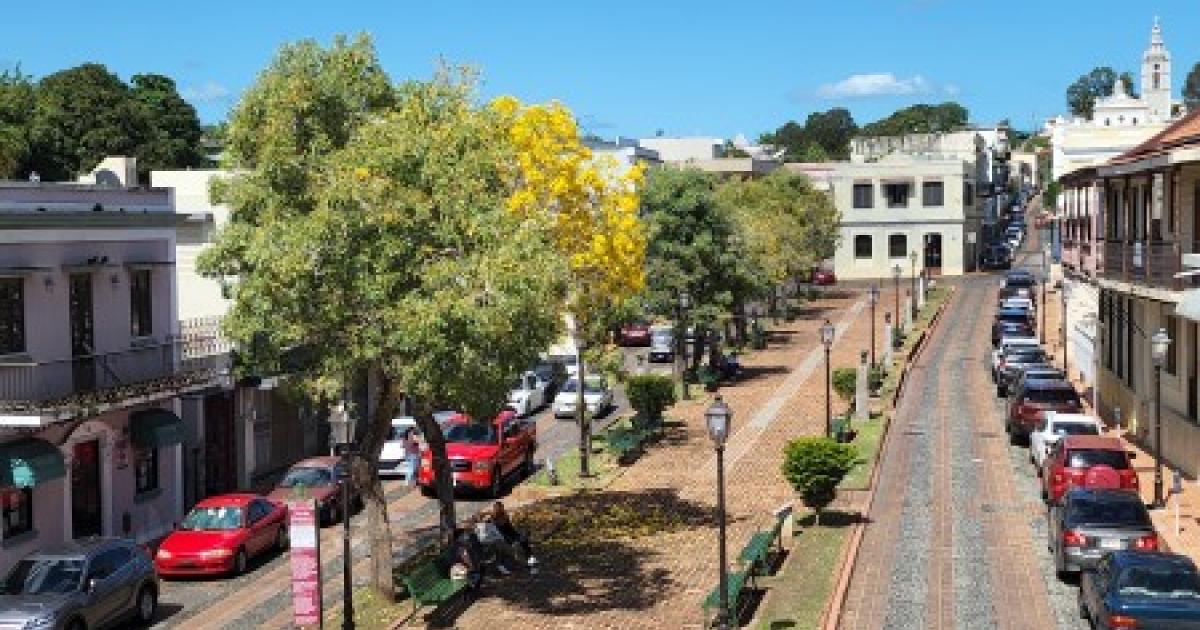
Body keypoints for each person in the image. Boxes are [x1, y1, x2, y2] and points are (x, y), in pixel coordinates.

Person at [489, 501, 537, 573]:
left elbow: (511, 529)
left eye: (501, 508)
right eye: (498, 508)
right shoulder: (492, 519)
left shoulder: (505, 516)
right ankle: (524, 564)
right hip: (503, 538)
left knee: (523, 541)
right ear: (495, 509)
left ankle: (530, 558)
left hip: (511, 535)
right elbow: (497, 532)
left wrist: (518, 536)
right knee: (515, 546)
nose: (501, 509)